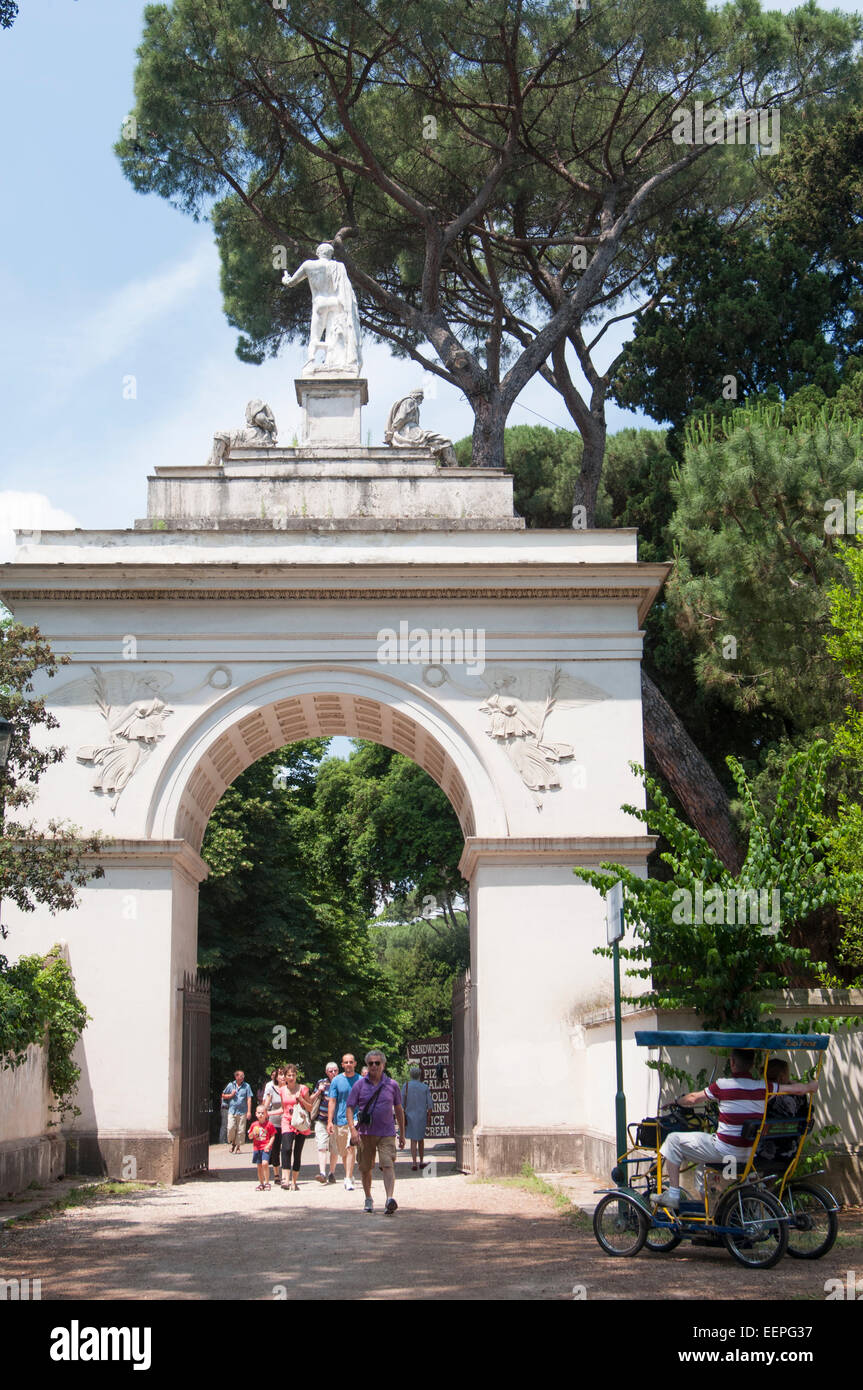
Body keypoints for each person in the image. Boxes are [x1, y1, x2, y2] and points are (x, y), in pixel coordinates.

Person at [650, 1048, 818, 1209]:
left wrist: (676, 1101)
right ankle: (715, 1210)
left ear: (732, 1062)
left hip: (725, 1152)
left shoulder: (723, 1085)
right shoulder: (763, 1087)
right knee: (706, 1166)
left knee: (673, 1139)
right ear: (752, 1065)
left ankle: (673, 1194)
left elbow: (693, 1098)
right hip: (748, 1154)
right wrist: (811, 1086)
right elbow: (798, 1089)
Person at [347, 1049, 405, 1215]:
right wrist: (352, 1130)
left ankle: (389, 1199)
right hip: (365, 1134)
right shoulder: (359, 1085)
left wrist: (402, 1133)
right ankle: (368, 1197)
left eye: (377, 1063)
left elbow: (399, 1109)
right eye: (370, 1063)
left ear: (383, 1065)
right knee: (365, 1168)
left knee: (387, 1164)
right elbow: (350, 1107)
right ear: (367, 1065)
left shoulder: (392, 1085)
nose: (373, 1066)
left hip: (386, 1133)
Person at [757, 1058, 810, 1163]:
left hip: (764, 1153)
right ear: (782, 1077)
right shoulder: (799, 1097)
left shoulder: (763, 1096)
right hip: (790, 1151)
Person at [327, 1053, 361, 1191]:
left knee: (350, 1147)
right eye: (346, 1062)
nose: (348, 1064)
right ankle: (350, 1174)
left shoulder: (361, 1080)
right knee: (344, 1152)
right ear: (342, 1064)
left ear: (355, 1063)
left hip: (355, 1119)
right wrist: (329, 1121)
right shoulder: (336, 1081)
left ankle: (347, 1178)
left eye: (350, 1062)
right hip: (340, 1120)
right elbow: (332, 1101)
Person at [278, 1064, 313, 1191]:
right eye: (289, 1075)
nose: (291, 1077)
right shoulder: (282, 1090)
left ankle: (294, 1181)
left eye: (293, 1075)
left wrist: (301, 1100)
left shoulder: (303, 1089)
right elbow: (283, 1108)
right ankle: (285, 1179)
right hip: (287, 1120)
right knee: (286, 1148)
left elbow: (310, 1108)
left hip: (301, 1122)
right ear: (285, 1077)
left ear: (296, 1076)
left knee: (297, 1152)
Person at [402, 1066, 433, 1170]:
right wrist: (429, 1117)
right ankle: (421, 1161)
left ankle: (414, 1162)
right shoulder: (424, 1087)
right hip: (421, 1116)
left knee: (413, 1140)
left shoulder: (405, 1086)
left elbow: (401, 1103)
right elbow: (430, 1104)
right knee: (421, 1139)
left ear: (410, 1075)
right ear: (419, 1075)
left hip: (409, 1116)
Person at [313, 1062, 340, 1184]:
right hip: (322, 1119)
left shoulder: (341, 1082)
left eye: (335, 1070)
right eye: (330, 1071)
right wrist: (319, 1091)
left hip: (336, 1121)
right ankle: (322, 1173)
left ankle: (331, 1173)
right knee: (321, 1147)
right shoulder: (321, 1083)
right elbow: (311, 1098)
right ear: (326, 1072)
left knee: (334, 1149)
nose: (333, 1073)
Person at [262, 1066, 286, 1185]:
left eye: (284, 1074)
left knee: (286, 1148)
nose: (282, 1076)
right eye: (280, 1074)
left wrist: (269, 1112)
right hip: (274, 1123)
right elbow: (266, 1103)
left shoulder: (290, 1089)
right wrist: (263, 1113)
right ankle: (277, 1174)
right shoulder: (271, 1089)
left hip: (287, 1122)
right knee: (275, 1149)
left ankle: (286, 1173)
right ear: (276, 1076)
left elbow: (285, 1108)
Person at [222, 1069, 253, 1153]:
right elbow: (223, 1095)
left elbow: (249, 1099)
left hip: (243, 1111)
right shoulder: (230, 1085)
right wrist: (231, 1095)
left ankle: (237, 1147)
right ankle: (232, 1143)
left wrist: (249, 1111)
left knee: (241, 1130)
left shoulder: (247, 1086)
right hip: (232, 1110)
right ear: (236, 1076)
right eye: (241, 1076)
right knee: (231, 1128)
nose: (243, 1077)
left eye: (243, 1076)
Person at [249, 1105, 278, 1191]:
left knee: (265, 1163)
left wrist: (269, 1145)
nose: (261, 1115)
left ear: (266, 1114)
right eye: (259, 1113)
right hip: (257, 1148)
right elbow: (250, 1137)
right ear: (256, 1114)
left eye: (262, 1113)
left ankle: (267, 1182)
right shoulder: (254, 1125)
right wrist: (253, 1133)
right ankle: (261, 1183)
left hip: (265, 1147)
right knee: (259, 1166)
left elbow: (273, 1136)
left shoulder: (269, 1124)